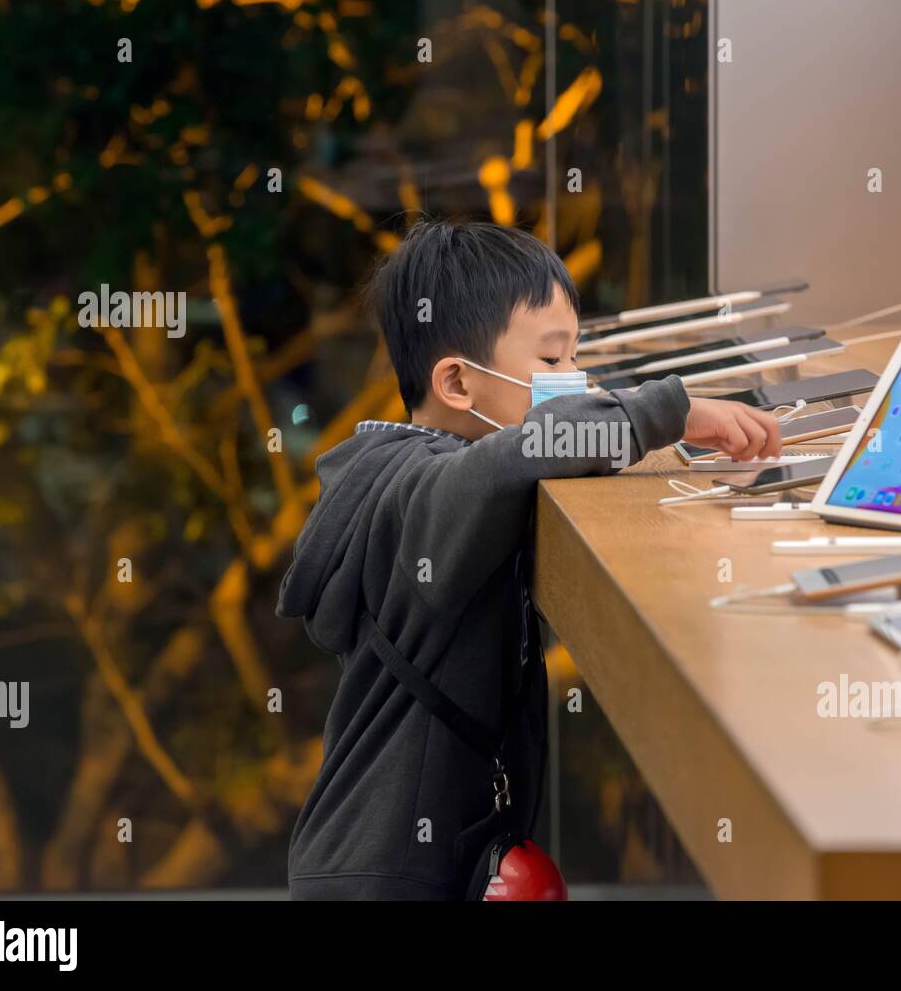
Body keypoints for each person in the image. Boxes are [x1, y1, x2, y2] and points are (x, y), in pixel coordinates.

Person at [277, 220, 782, 899]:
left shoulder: (417, 474)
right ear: (458, 381)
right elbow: (513, 457)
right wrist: (673, 411)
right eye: (551, 362)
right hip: (389, 873)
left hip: (411, 859)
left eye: (575, 357)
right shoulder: (418, 498)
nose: (572, 382)